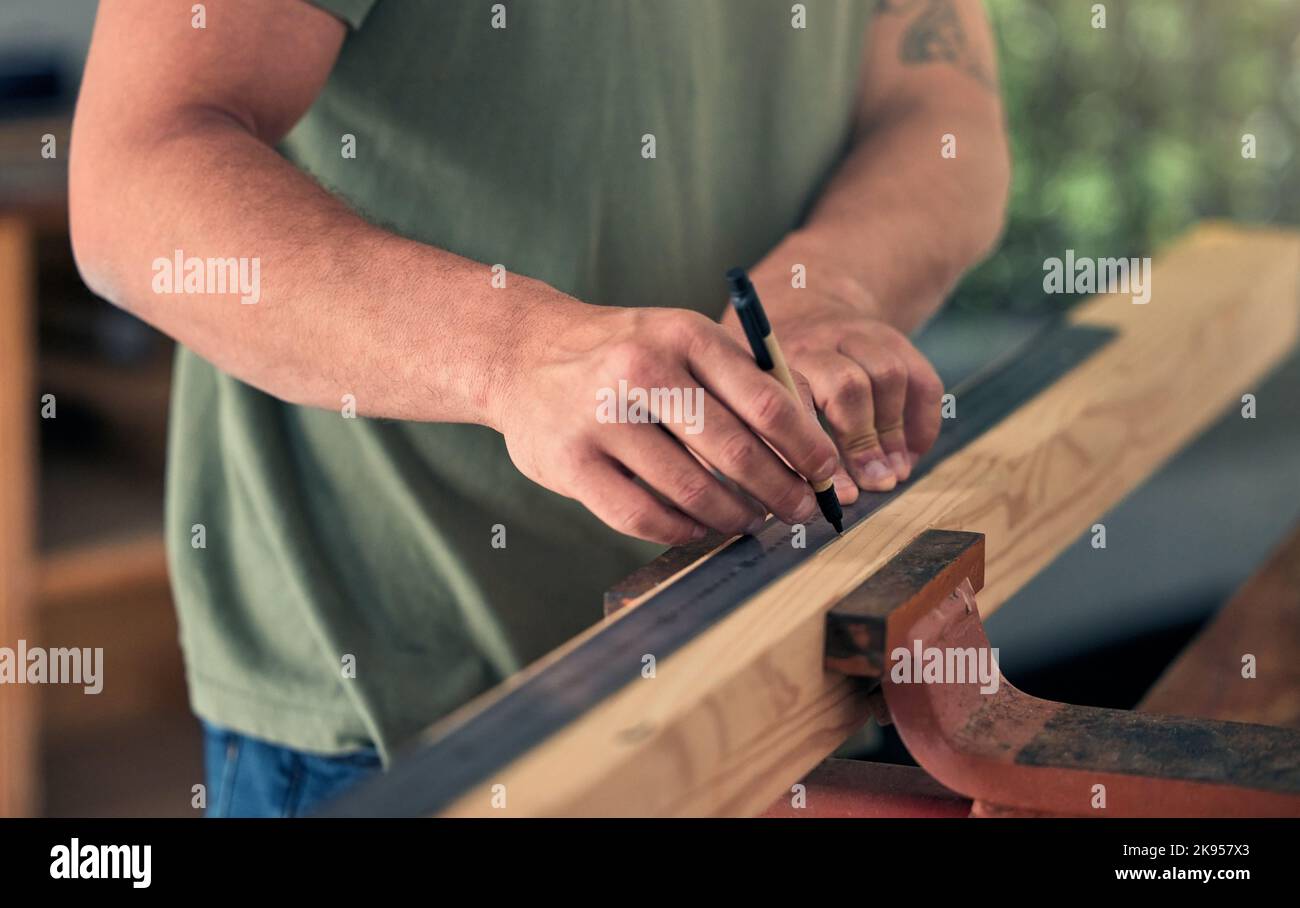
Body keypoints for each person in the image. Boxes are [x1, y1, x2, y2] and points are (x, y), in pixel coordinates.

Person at [69, 0, 1008, 816]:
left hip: (768, 660)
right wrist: (514, 354)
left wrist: (829, 284)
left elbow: (941, 104)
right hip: (399, 702)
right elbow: (136, 174)